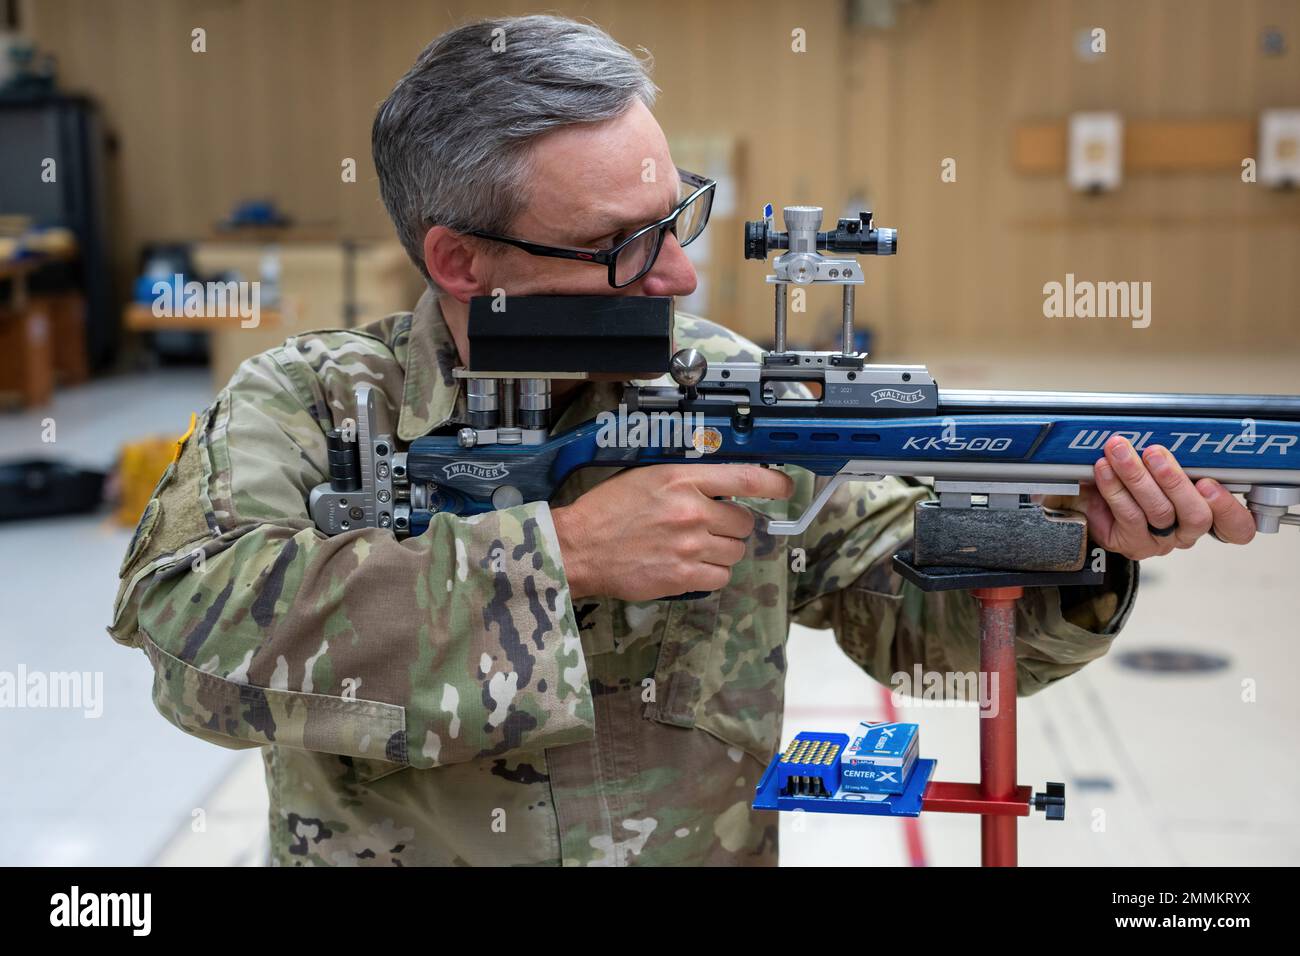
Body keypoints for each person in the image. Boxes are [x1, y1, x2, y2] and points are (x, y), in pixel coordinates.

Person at [108, 14, 1257, 867]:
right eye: (620, 245)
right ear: (460, 259)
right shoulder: (311, 400)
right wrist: (555, 557)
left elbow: (917, 622)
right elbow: (190, 646)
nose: (680, 273)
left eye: (680, 214)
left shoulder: (723, 380)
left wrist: (1079, 538)